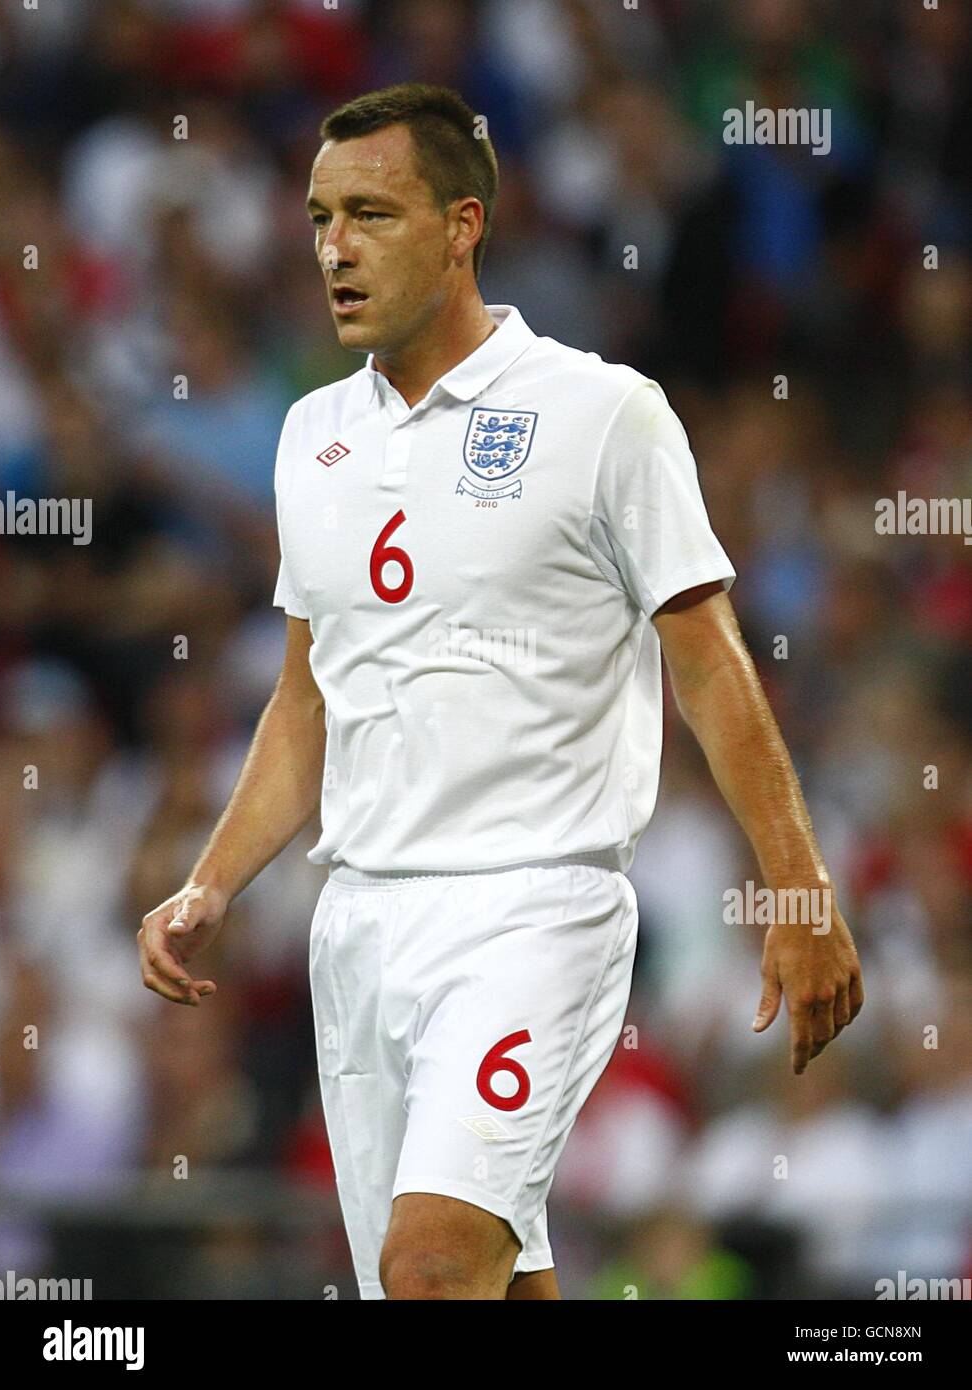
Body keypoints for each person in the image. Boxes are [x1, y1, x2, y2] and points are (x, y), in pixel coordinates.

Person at [138, 82, 864, 1301]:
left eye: (371, 212)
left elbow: (709, 661)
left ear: (462, 224)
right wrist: (214, 881)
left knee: (429, 1268)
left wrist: (798, 887)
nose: (334, 246)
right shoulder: (310, 434)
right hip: (361, 922)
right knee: (476, 1280)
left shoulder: (603, 414)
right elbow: (307, 699)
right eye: (320, 217)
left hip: (537, 907)